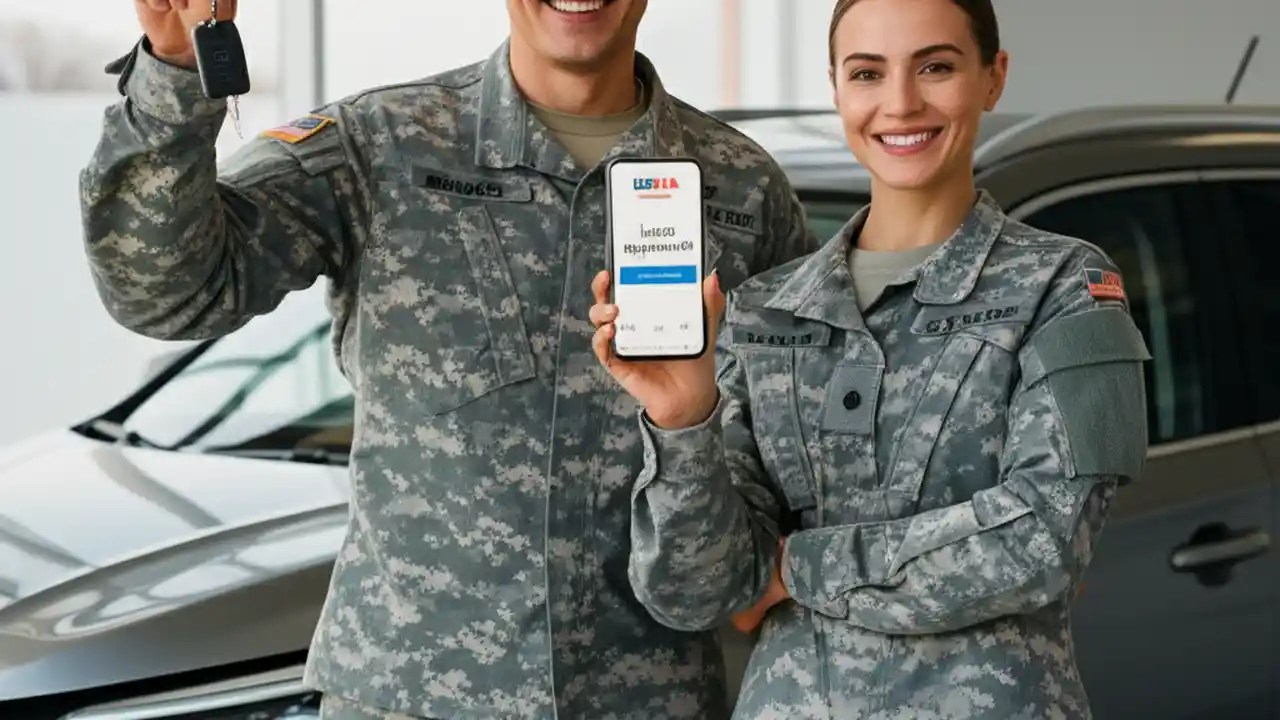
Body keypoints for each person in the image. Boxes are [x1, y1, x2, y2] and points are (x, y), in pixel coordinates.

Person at [82, 1, 819, 718]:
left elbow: (805, 460)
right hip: (406, 698)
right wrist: (174, 74)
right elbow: (166, 295)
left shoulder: (741, 187)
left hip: (644, 698)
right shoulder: (381, 145)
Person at [588, 0, 1152, 717]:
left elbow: (1044, 539)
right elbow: (696, 591)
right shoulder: (763, 311)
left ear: (993, 77)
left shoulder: (1066, 287)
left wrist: (796, 567)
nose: (900, 103)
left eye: (936, 67)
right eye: (867, 73)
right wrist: (682, 420)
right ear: (836, 88)